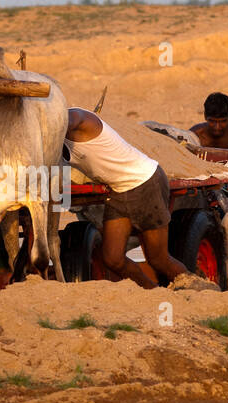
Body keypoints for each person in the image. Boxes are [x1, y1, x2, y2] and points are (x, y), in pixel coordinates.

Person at [65, 108, 216, 290]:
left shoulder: (79, 117)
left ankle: (200, 289)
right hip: (119, 190)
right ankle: (154, 293)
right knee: (113, 258)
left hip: (144, 182)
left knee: (158, 259)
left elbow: (68, 121)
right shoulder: (52, 139)